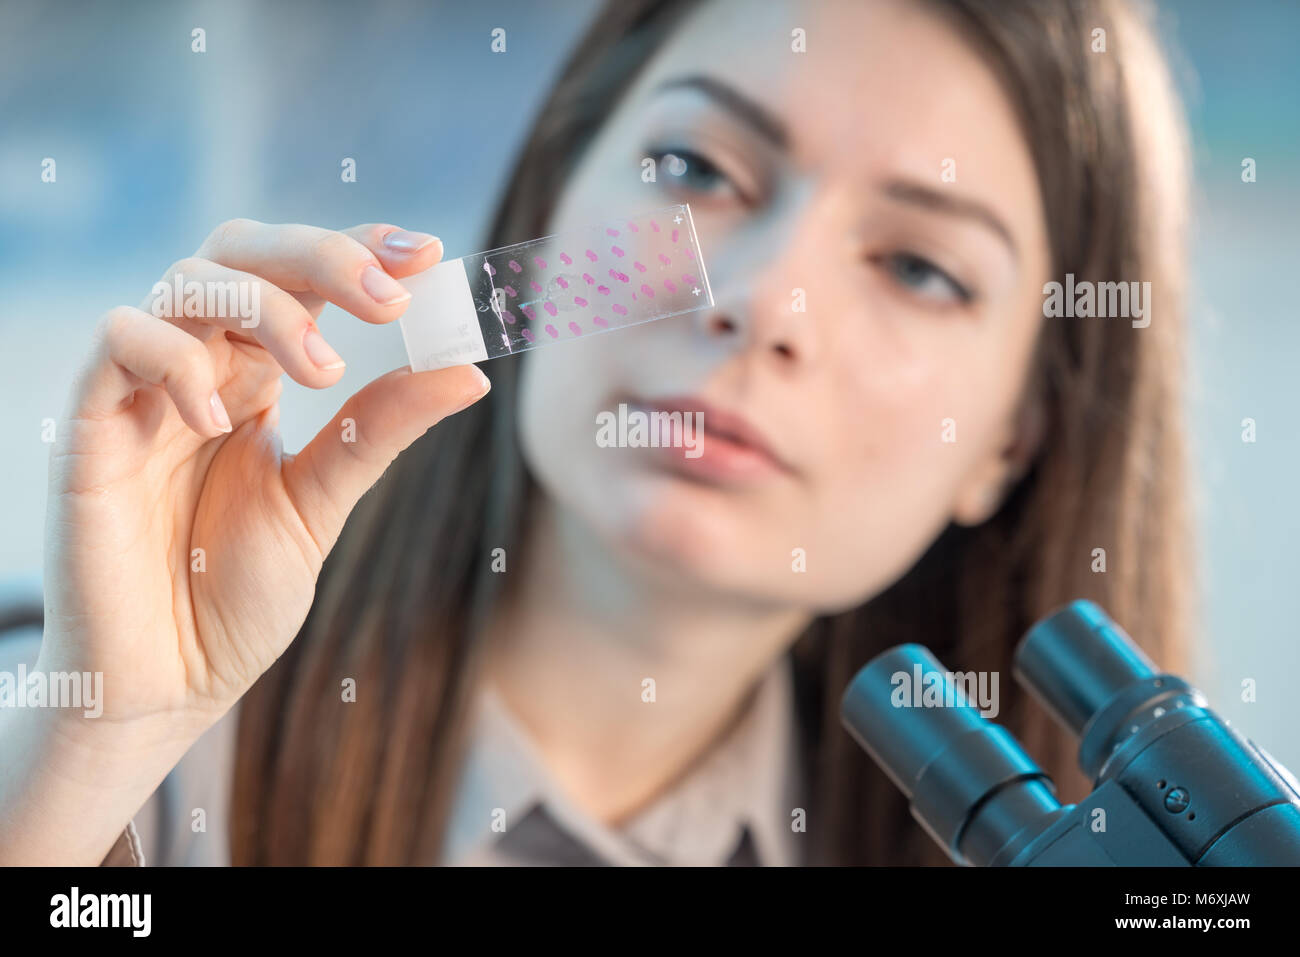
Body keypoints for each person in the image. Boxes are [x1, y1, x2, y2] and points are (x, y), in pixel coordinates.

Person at [0, 0, 1193, 866]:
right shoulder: (115, 766)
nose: (762, 297)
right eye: (693, 165)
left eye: (920, 268)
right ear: (550, 199)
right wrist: (89, 742)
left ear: (1012, 439)